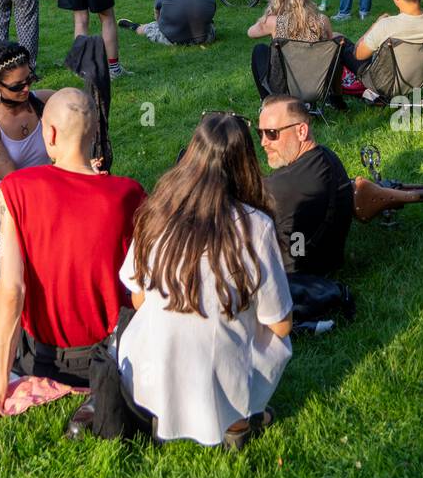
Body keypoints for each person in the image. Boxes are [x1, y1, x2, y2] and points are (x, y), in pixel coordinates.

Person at [0, 88, 145, 435]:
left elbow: (13, 289)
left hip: (40, 358)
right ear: (94, 135)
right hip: (111, 356)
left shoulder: (16, 188)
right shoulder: (128, 193)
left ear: (51, 134)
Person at [115, 112, 293, 448]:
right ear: (246, 163)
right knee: (272, 338)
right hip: (221, 365)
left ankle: (164, 410)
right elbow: (280, 324)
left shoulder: (156, 210)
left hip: (153, 364)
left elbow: (137, 298)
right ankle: (238, 423)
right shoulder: (256, 226)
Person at [258, 96, 353, 277]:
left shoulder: (285, 186)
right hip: (323, 264)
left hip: (292, 278)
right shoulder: (327, 156)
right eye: (260, 133)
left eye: (271, 133)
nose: (264, 142)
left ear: (301, 131)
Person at [0, 43, 54, 188]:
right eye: (17, 86)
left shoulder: (45, 100)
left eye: (29, 79)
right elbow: (13, 180)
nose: (26, 88)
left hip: (50, 185)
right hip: (15, 198)